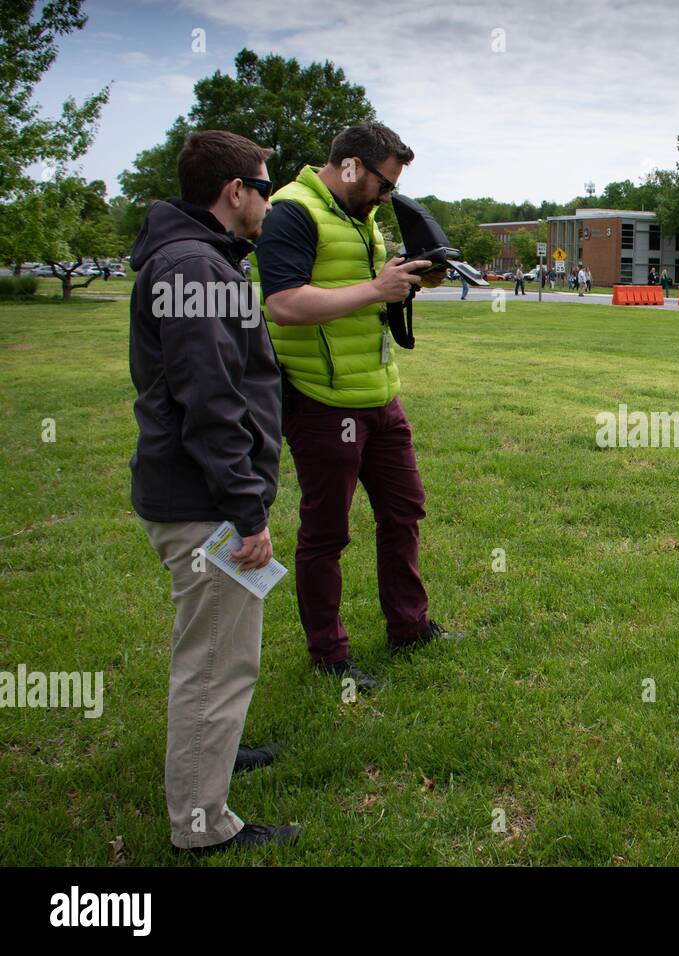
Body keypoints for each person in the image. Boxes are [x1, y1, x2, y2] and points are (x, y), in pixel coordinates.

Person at [130, 130, 298, 853]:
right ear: (235, 192)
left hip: (200, 495)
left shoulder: (197, 258)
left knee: (216, 649)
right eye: (264, 186)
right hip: (205, 502)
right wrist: (245, 509)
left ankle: (216, 754)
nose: (269, 199)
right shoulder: (196, 267)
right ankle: (201, 826)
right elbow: (210, 399)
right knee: (216, 663)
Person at [253, 123, 459, 692]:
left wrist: (410, 280)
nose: (388, 196)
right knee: (327, 532)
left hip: (379, 395)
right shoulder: (290, 212)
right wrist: (375, 289)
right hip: (322, 401)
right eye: (383, 183)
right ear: (349, 165)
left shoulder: (358, 217)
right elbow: (285, 303)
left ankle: (408, 626)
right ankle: (329, 653)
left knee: (405, 512)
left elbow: (362, 289)